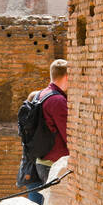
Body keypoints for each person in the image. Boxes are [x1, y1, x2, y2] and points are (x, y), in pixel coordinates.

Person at [35, 59, 69, 190]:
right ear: (67, 76)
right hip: (54, 164)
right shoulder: (57, 100)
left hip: (42, 160)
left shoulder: (41, 94)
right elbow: (68, 134)